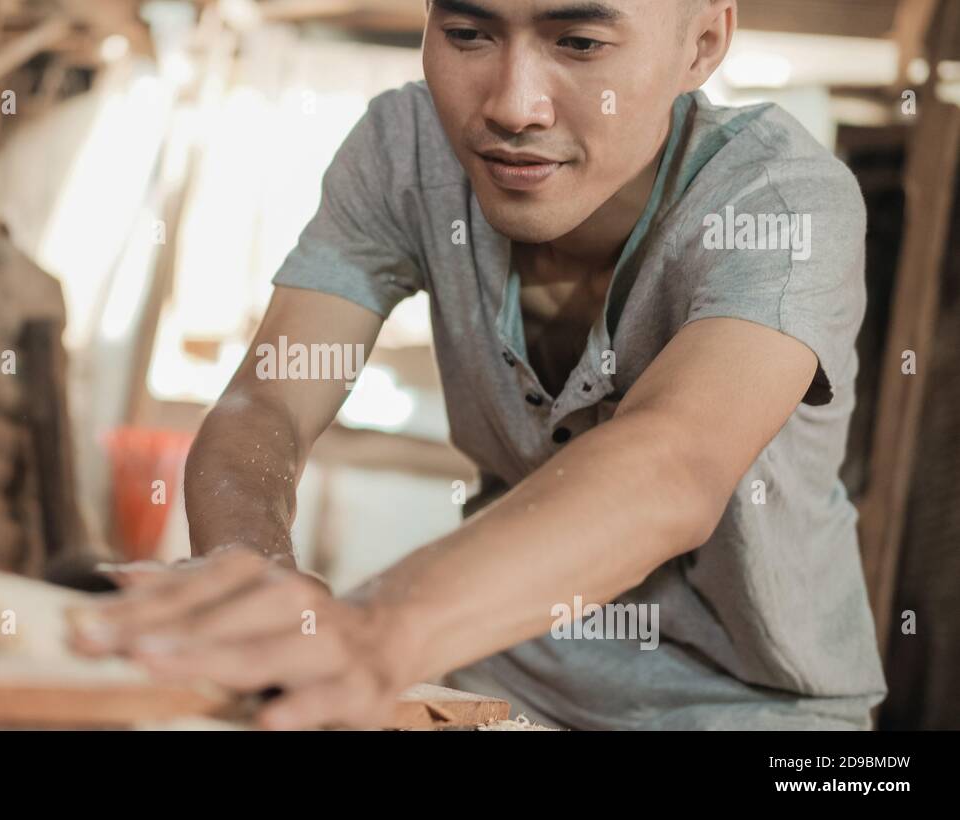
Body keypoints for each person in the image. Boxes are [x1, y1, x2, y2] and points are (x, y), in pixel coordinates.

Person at [73, 0, 886, 730]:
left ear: (703, 42)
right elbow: (270, 403)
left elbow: (673, 465)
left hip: (757, 712)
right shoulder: (405, 153)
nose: (510, 106)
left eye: (579, 41)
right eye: (467, 34)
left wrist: (376, 632)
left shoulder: (779, 204)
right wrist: (250, 580)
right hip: (501, 674)